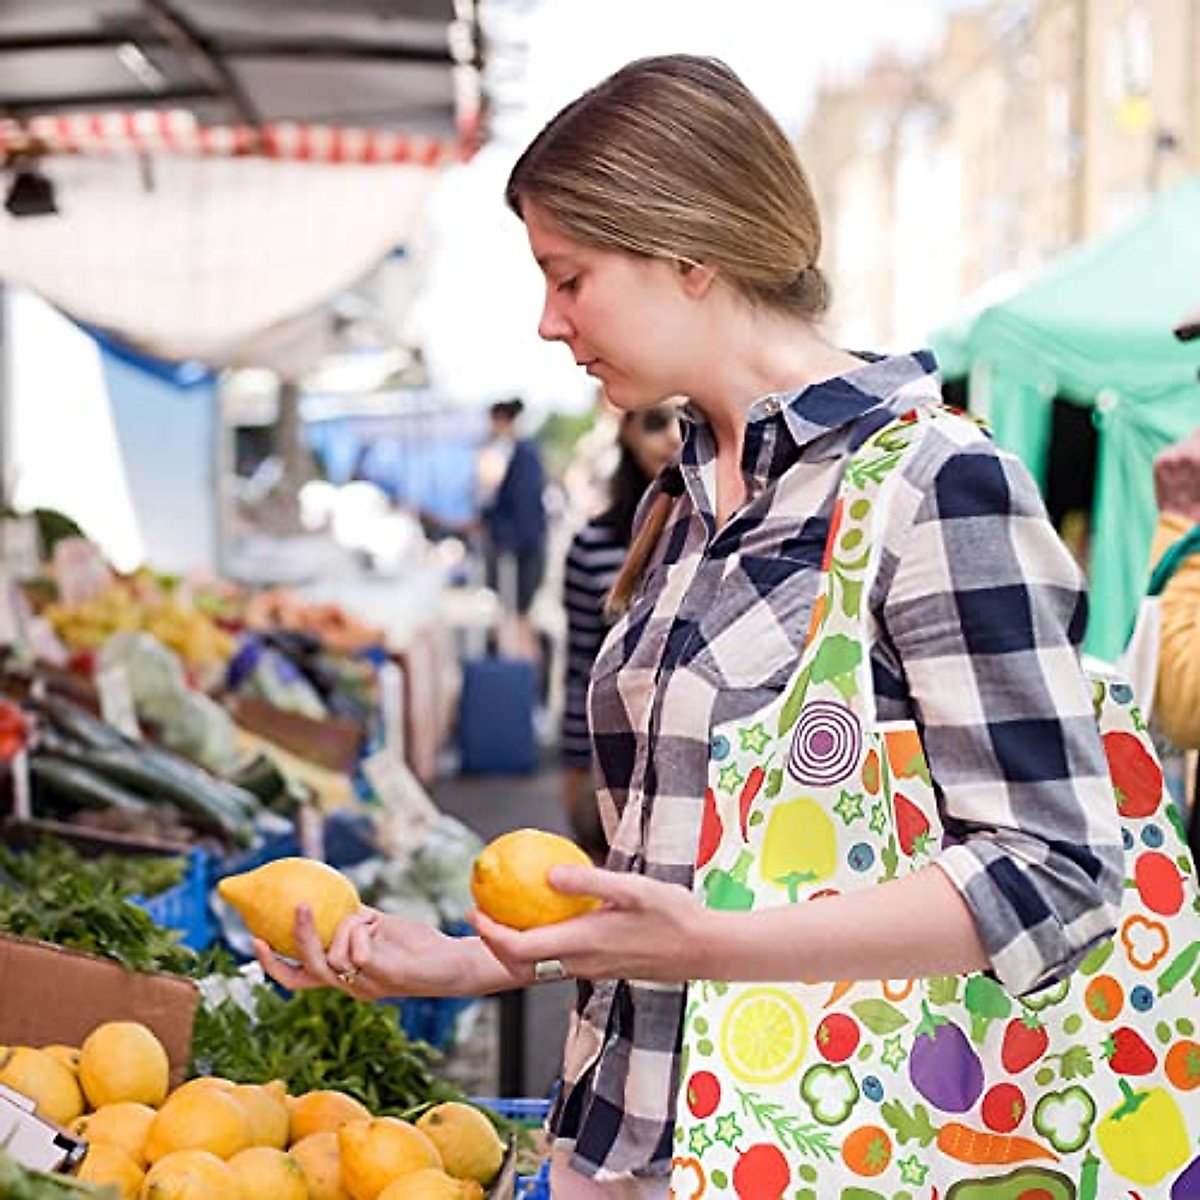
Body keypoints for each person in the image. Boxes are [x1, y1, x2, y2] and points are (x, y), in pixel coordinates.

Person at [257, 56, 1126, 1196]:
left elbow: (1057, 870)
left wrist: (708, 948)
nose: (548, 322)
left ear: (689, 252)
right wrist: (469, 964)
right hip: (618, 1133)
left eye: (571, 277)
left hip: (828, 1148)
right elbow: (674, 873)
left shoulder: (934, 486)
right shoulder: (680, 502)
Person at [561, 402, 683, 859]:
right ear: (627, 432)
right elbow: (580, 667)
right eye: (654, 422)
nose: (672, 436)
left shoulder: (736, 532)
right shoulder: (592, 545)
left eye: (684, 420)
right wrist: (574, 766)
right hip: (616, 770)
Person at [477, 398, 547, 661]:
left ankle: (523, 683)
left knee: (517, 618)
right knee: (519, 617)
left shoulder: (518, 454)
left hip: (518, 551)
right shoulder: (524, 452)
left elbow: (517, 505)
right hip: (523, 547)